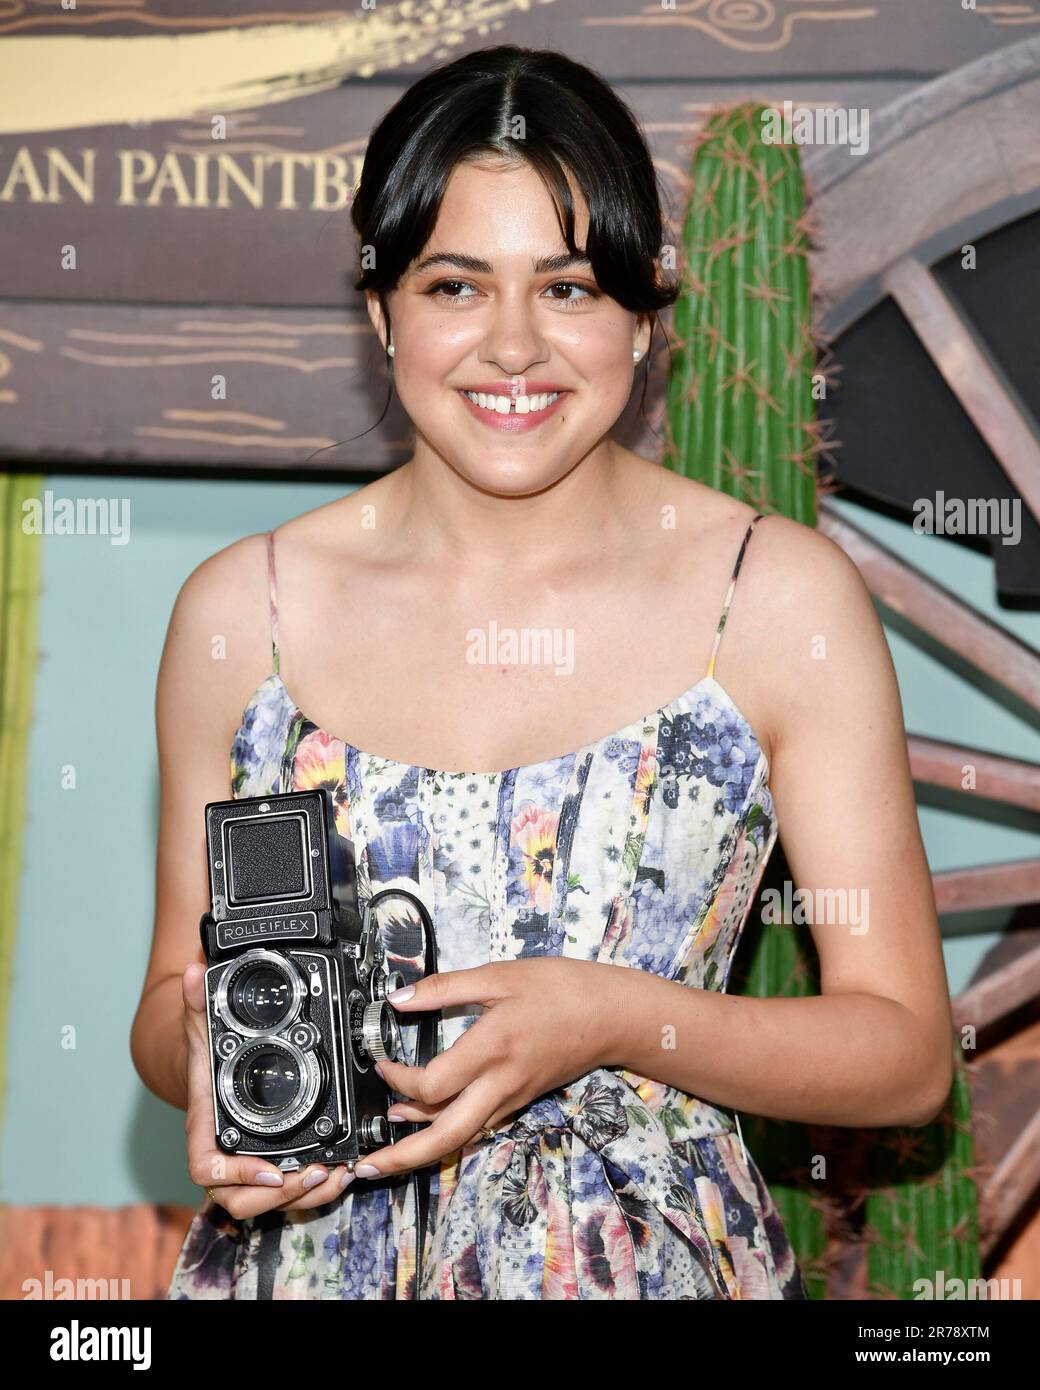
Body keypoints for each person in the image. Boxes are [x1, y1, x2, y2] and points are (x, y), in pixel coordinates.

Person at [131, 44, 954, 1300]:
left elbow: (901, 1053)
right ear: (380, 310)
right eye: (455, 284)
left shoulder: (774, 601)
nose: (512, 348)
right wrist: (213, 1062)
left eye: (566, 289)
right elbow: (166, 1005)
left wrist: (617, 1018)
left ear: (641, 310)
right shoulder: (243, 619)